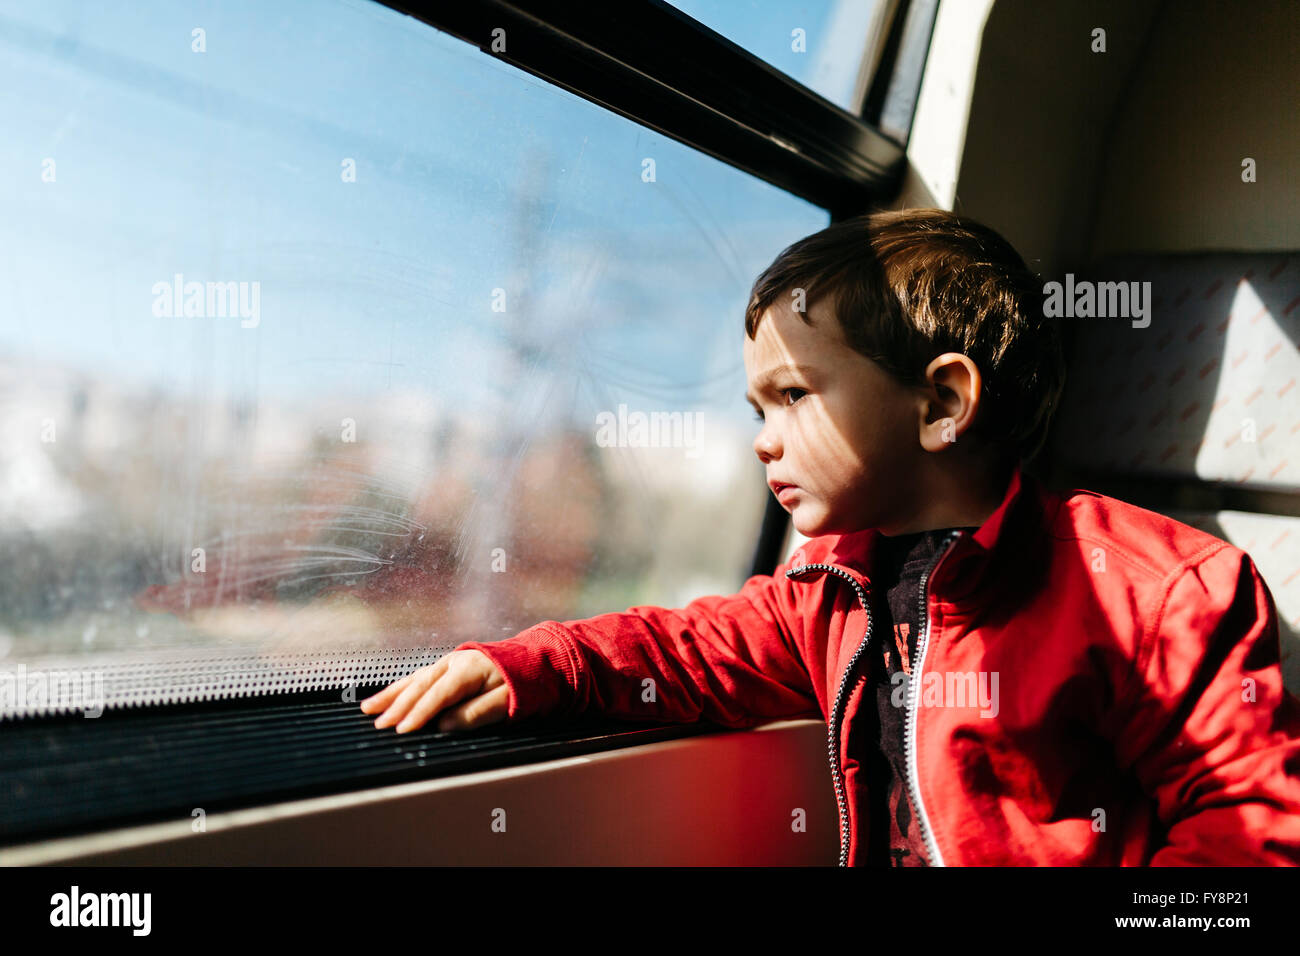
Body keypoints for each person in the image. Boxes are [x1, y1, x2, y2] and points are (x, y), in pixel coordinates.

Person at [361, 208, 1300, 865]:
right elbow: (688, 652)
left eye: (794, 396)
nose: (763, 436)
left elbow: (1252, 829)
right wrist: (542, 665)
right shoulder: (832, 587)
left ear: (941, 401)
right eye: (755, 405)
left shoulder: (1161, 594)